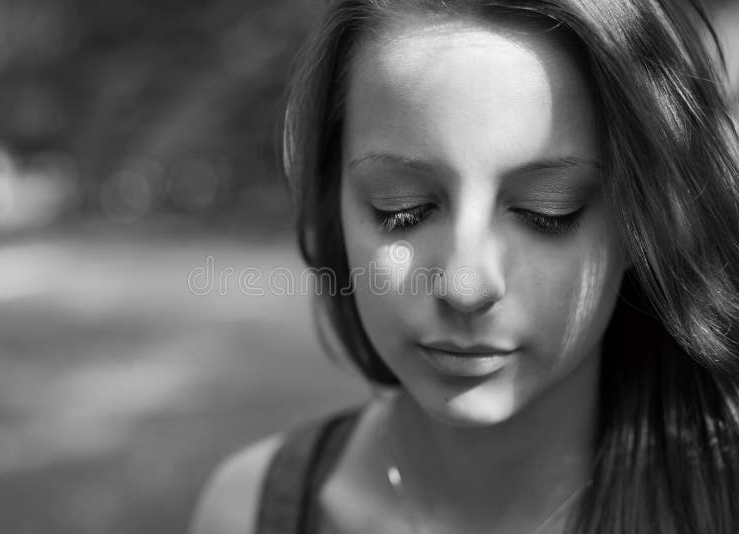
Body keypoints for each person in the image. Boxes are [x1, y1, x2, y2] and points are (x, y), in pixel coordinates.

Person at [189, 0, 739, 532]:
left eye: (547, 210)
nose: (466, 285)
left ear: (645, 219)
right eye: (401, 209)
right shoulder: (248, 514)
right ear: (333, 203)